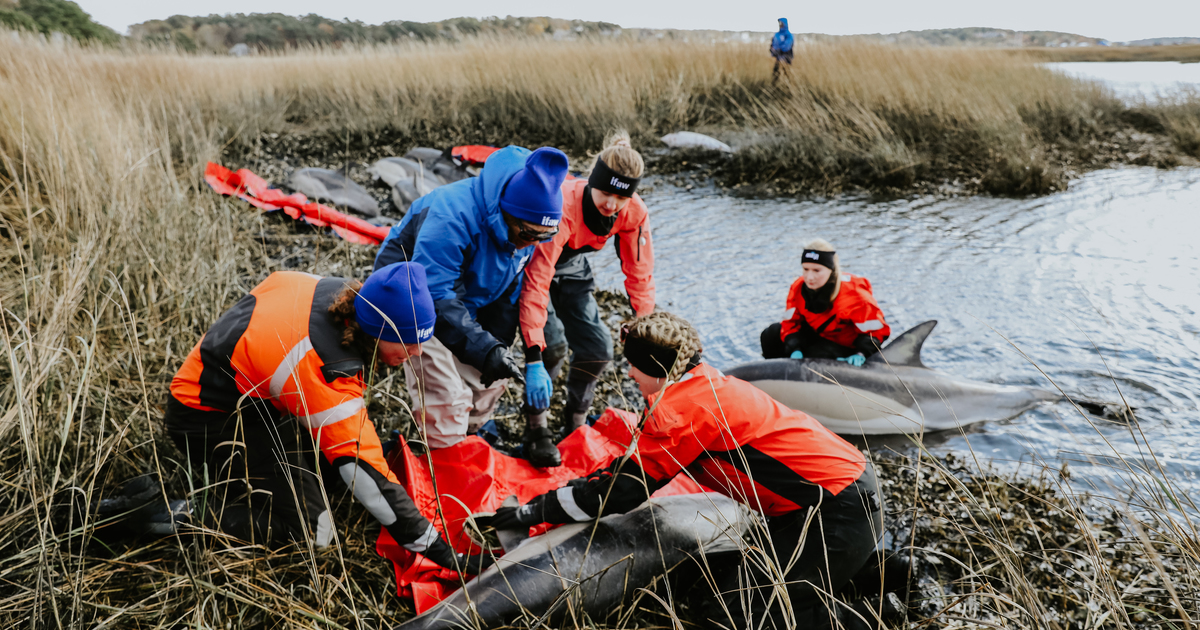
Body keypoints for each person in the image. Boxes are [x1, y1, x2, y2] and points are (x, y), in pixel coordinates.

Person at [493, 312, 885, 629]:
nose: (629, 375)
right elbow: (624, 470)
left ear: (656, 369)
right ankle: (879, 572)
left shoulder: (681, 412)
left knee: (742, 611)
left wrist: (534, 511)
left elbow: (621, 492)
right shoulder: (698, 382)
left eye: (633, 366)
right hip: (836, 492)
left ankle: (872, 617)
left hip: (837, 507)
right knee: (726, 586)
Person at [163, 263, 490, 573]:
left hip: (253, 398)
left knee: (329, 475)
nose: (416, 352)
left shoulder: (338, 292)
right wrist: (440, 551)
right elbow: (365, 472)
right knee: (314, 532)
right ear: (376, 332)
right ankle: (172, 514)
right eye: (408, 342)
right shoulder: (324, 368)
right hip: (207, 419)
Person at [374, 145, 568, 450]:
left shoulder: (527, 229)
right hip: (412, 301)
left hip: (468, 298)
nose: (535, 243)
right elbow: (435, 294)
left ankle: (468, 438)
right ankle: (443, 460)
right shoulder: (450, 217)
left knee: (491, 378)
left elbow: (509, 289)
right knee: (448, 398)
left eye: (547, 236)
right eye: (531, 235)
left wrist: (496, 350)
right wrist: (484, 348)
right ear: (506, 212)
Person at [518, 131, 655, 467]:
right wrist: (533, 355)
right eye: (605, 192)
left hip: (575, 268)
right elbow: (538, 280)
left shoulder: (633, 211)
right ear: (593, 181)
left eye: (620, 198)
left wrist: (644, 325)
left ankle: (575, 421)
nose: (611, 204)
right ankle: (536, 428)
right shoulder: (563, 203)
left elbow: (640, 272)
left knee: (597, 350)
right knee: (553, 345)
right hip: (537, 260)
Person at [761, 239, 891, 366]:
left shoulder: (855, 295)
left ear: (831, 270)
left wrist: (862, 353)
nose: (809, 277)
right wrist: (794, 348)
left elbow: (876, 333)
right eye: (806, 269)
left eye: (817, 270)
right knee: (771, 334)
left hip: (845, 347)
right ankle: (775, 373)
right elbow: (790, 323)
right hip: (818, 335)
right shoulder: (798, 288)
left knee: (816, 354)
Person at [770, 17, 794, 84]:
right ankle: (774, 88)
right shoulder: (777, 34)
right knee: (775, 74)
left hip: (786, 57)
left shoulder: (789, 35)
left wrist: (779, 50)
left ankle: (788, 87)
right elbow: (773, 44)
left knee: (787, 74)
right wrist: (772, 49)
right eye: (779, 23)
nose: (780, 24)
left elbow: (787, 46)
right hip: (778, 57)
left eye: (781, 23)